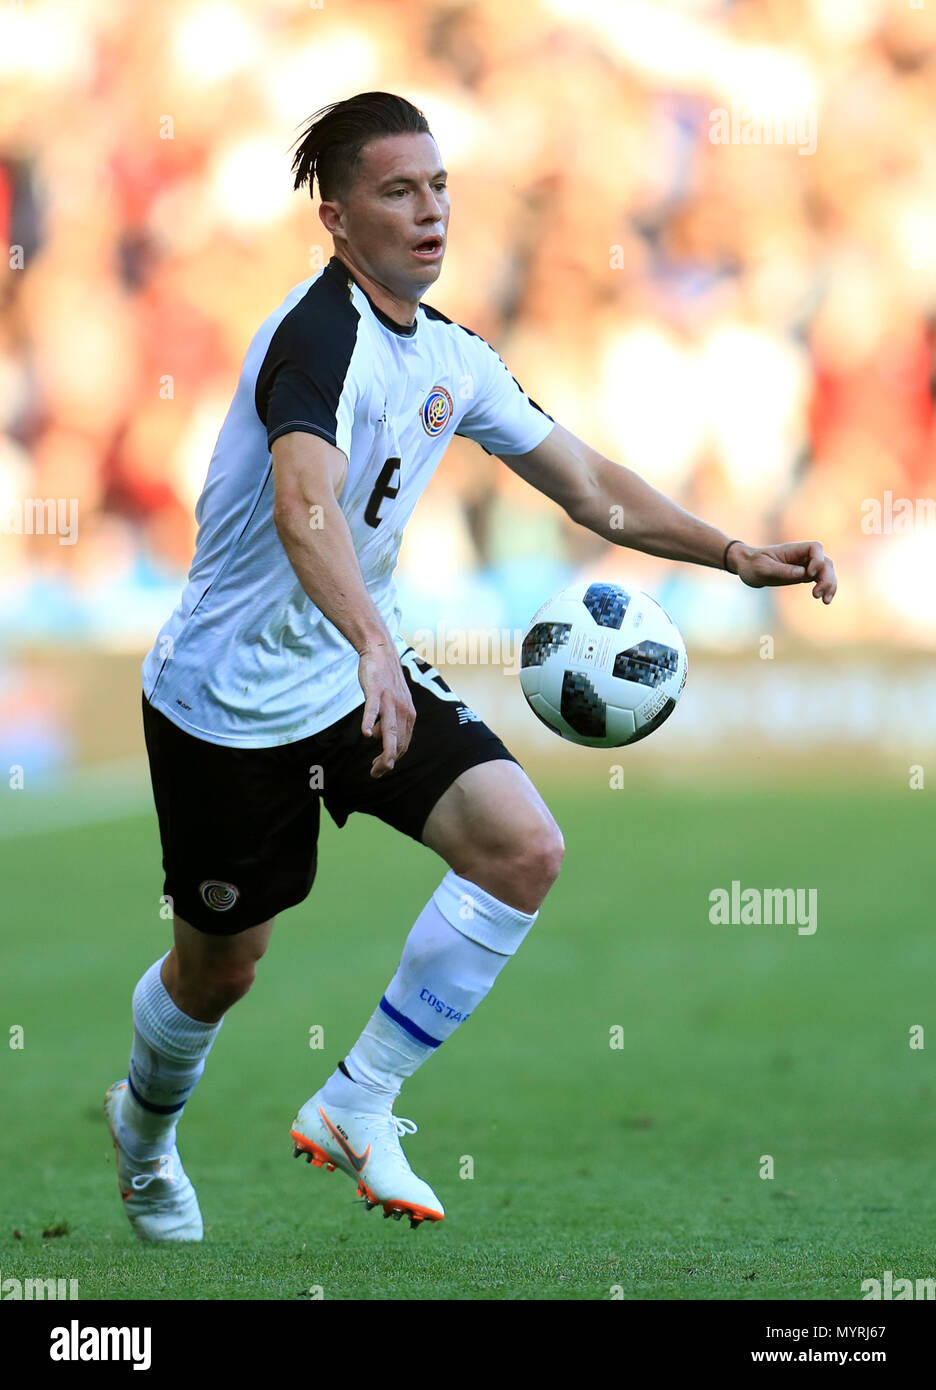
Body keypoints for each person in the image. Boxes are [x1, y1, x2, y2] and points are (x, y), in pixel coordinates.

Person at [106, 91, 837, 1240]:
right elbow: (305, 510)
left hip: (357, 675)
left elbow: (591, 487)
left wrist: (734, 552)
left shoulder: (453, 353)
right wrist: (376, 646)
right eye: (398, 191)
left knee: (523, 848)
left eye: (440, 185)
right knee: (221, 971)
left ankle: (359, 1096)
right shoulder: (318, 338)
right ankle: (144, 1139)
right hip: (230, 706)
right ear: (337, 215)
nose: (431, 210)